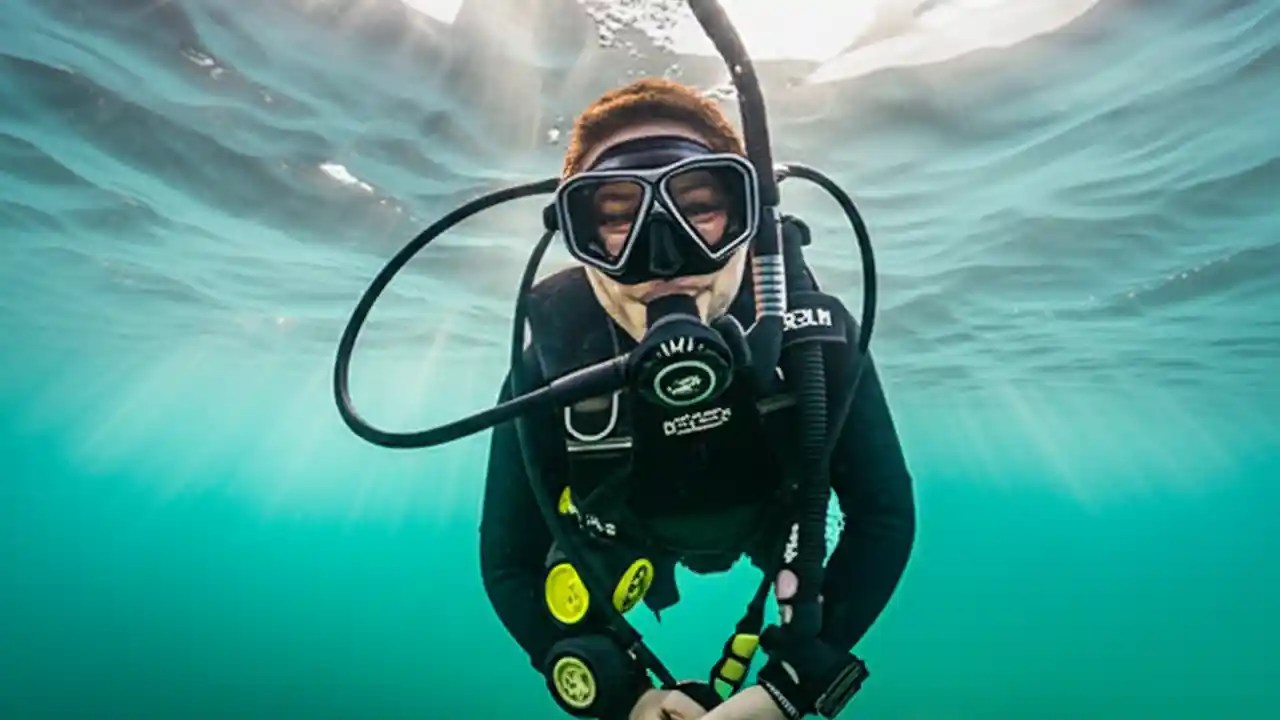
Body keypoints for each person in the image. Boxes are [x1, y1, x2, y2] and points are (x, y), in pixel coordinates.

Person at [479, 77, 916, 720]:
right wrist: (629, 700)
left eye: (701, 206)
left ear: (750, 219)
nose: (663, 259)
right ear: (577, 238)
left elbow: (883, 516)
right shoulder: (550, 367)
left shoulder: (812, 344)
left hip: (776, 525)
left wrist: (783, 695)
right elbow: (508, 560)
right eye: (615, 218)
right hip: (628, 536)